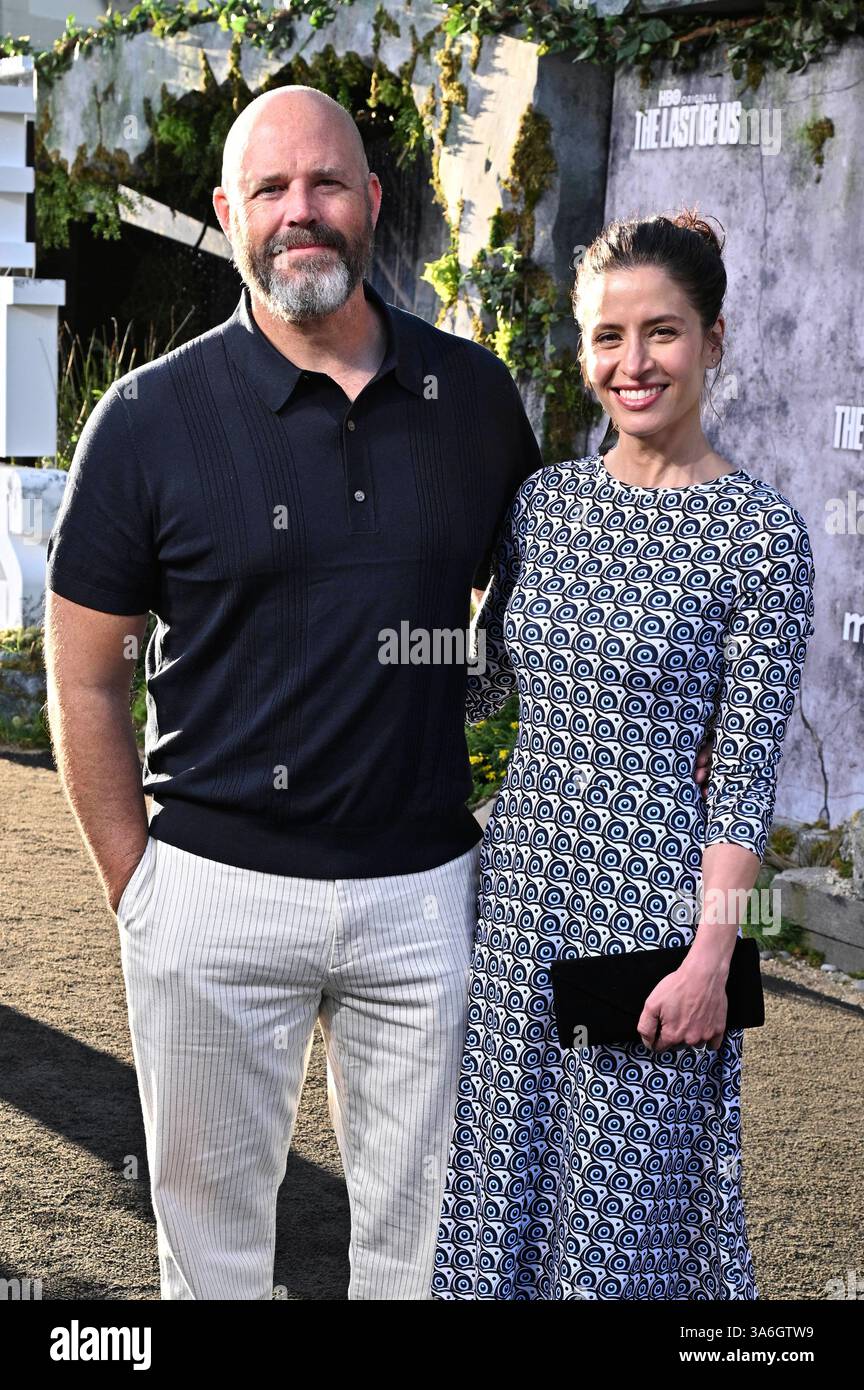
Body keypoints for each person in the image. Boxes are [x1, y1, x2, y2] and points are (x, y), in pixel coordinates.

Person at [42, 81, 715, 1299]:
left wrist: (687, 689)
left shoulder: (472, 403)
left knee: (425, 1258)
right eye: (272, 189)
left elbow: (543, 617)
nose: (302, 212)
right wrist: (137, 887)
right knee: (214, 1257)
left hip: (426, 902)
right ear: (228, 210)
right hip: (212, 893)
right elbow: (86, 673)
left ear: (371, 200)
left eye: (327, 184)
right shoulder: (146, 420)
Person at [431, 210, 816, 1300]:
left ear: (713, 340)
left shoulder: (760, 534)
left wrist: (710, 958)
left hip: (653, 913)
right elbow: (481, 683)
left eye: (663, 332)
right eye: (609, 337)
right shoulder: (543, 505)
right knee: (492, 1193)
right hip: (514, 896)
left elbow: (745, 776)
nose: (632, 363)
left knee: (621, 1227)